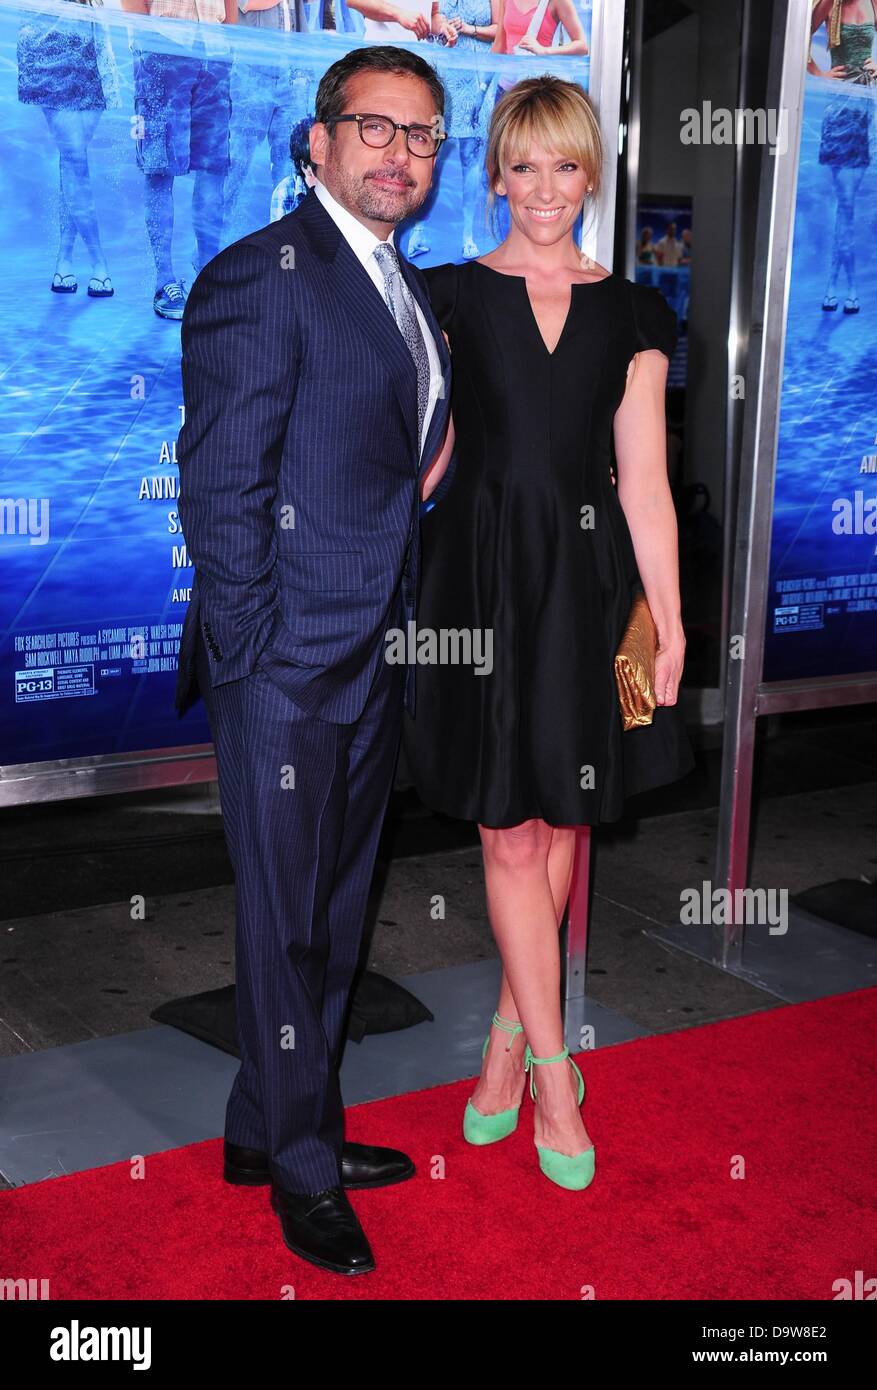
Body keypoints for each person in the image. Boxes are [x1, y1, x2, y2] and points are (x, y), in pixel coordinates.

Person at [174, 43, 453, 1276]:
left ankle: (268, 1127)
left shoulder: (402, 283)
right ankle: (299, 1170)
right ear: (318, 140)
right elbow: (222, 485)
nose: (402, 153)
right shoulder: (262, 278)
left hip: (367, 650)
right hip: (287, 665)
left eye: (425, 134)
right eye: (376, 128)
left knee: (335, 916)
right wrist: (256, 659)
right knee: (287, 925)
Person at [402, 75, 695, 1193]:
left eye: (563, 166)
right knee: (509, 832)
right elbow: (421, 456)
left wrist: (665, 621)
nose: (542, 189)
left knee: (567, 816)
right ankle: (557, 1071)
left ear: (590, 174)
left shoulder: (634, 311)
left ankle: (506, 1037)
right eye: (521, 167)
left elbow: (644, 484)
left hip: (591, 584)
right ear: (493, 175)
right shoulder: (442, 298)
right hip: (476, 583)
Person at [120, 0, 235, 319]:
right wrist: (148, 44)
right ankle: (165, 280)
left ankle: (210, 273)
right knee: (160, 169)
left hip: (215, 51)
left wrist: (229, 39)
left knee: (214, 167)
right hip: (162, 49)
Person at [17, 0, 121, 297]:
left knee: (71, 160)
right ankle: (99, 262)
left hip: (92, 44)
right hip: (47, 43)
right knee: (75, 158)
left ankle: (64, 261)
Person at [809, 0, 877, 314]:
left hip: (865, 109)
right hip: (837, 111)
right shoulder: (828, 4)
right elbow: (796, 44)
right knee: (846, 205)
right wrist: (820, 74)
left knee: (846, 208)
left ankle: (834, 288)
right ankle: (846, 289)